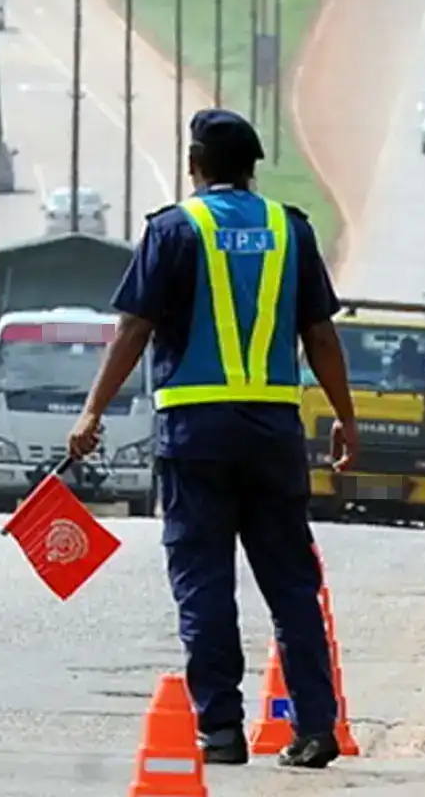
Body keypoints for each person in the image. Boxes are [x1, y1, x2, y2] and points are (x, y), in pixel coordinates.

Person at [67, 108, 361, 770]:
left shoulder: (175, 230)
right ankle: (315, 727)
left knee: (203, 581)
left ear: (194, 164)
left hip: (196, 432)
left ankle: (221, 731)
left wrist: (92, 413)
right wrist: (345, 415)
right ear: (252, 168)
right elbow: (320, 336)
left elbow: (134, 328)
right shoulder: (291, 229)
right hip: (272, 430)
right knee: (290, 582)